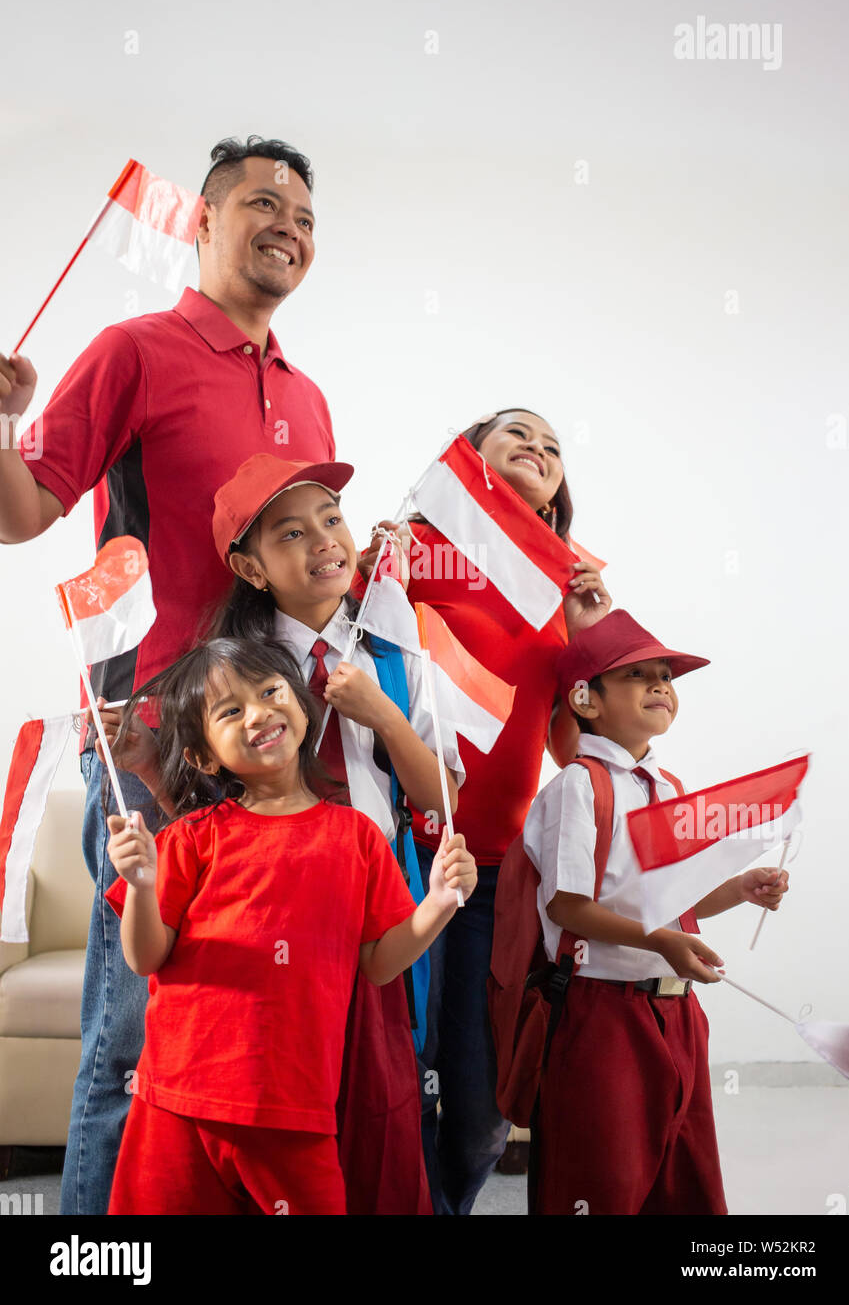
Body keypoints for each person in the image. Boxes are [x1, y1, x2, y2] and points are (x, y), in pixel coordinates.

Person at [0, 134, 335, 1215]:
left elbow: (307, 579)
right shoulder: (134, 349)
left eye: (305, 213)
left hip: (275, 745)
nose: (287, 224)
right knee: (132, 1032)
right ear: (198, 222)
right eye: (260, 204)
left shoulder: (309, 395)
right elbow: (23, 513)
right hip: (150, 740)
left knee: (244, 1027)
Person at [103, 451, 465, 1213]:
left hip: (365, 912)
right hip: (260, 957)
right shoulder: (235, 673)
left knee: (374, 1115)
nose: (324, 540)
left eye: (332, 520)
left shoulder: (398, 649)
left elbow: (440, 798)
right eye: (291, 534)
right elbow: (211, 822)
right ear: (252, 567)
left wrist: (385, 716)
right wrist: (142, 762)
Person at [368, 408, 611, 1214]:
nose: (541, 449)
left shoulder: (567, 580)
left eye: (553, 443)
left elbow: (574, 751)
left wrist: (589, 640)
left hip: (490, 876)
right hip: (392, 857)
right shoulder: (417, 549)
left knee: (479, 1112)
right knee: (390, 1079)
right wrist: (371, 572)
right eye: (519, 435)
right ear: (471, 459)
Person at [523, 610, 790, 1215]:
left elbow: (678, 900)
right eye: (638, 675)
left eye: (666, 676)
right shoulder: (578, 786)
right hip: (601, 1014)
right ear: (586, 699)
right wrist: (662, 943)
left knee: (684, 1182)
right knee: (603, 1179)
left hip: (677, 1013)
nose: (661, 687)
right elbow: (567, 905)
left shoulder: (666, 787)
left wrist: (742, 885)